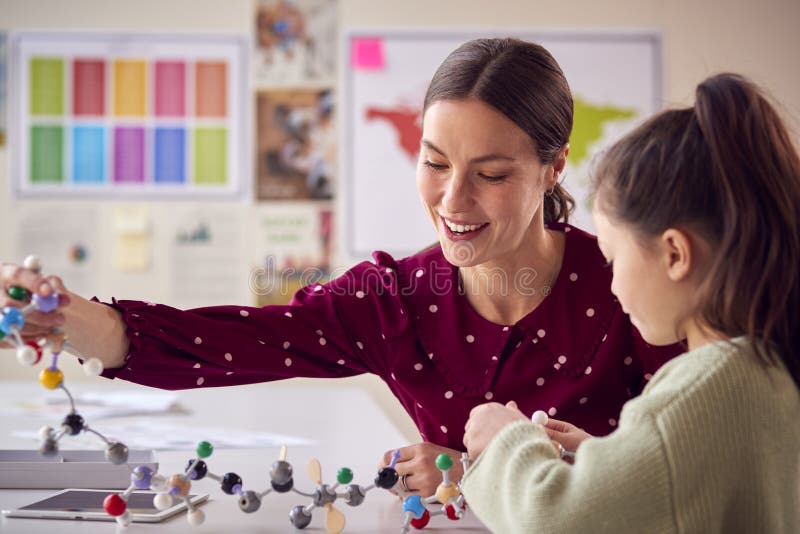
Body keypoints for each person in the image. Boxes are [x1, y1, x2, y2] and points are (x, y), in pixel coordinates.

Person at [0, 38, 677, 497]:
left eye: (491, 174)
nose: (452, 200)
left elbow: (692, 468)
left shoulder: (631, 285)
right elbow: (227, 343)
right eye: (434, 162)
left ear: (554, 167)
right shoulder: (395, 299)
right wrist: (66, 321)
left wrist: (484, 471)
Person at [461, 73, 800, 533]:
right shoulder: (766, 367)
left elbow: (554, 519)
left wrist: (505, 443)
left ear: (675, 254)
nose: (614, 286)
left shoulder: (702, 391)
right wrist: (605, 457)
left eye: (614, 259)